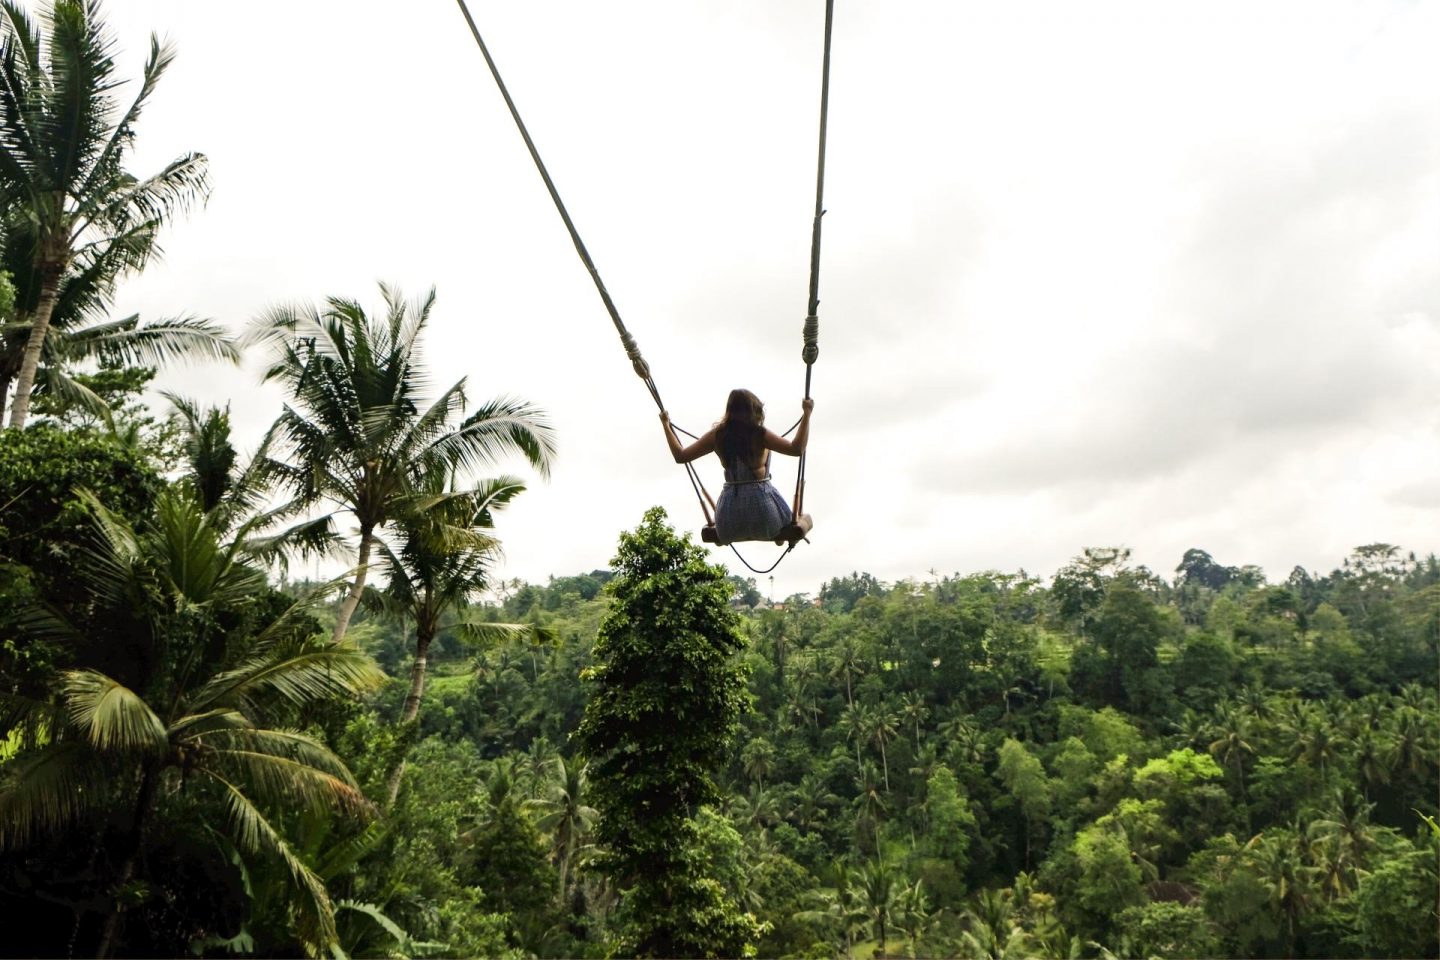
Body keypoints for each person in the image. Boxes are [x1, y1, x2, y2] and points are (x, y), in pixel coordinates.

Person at [660, 389, 813, 545]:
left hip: (728, 516)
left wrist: (665, 424)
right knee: (802, 521)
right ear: (755, 410)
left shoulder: (717, 435)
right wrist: (807, 414)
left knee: (722, 536)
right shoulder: (759, 434)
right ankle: (780, 539)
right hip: (764, 513)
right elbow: (796, 449)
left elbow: (681, 456)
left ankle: (726, 538)